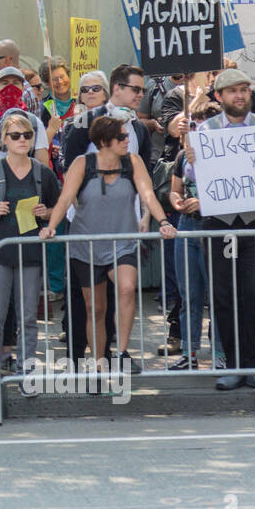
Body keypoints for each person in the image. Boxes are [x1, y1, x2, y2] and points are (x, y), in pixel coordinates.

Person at [42, 116, 175, 374]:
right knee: (96, 308)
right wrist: (51, 226)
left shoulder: (132, 162)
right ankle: (100, 363)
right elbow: (65, 198)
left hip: (123, 242)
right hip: (87, 246)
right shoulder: (83, 164)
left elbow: (147, 193)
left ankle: (123, 351)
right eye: (122, 137)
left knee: (126, 287)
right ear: (105, 142)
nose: (128, 140)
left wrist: (162, 221)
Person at [184, 68, 255, 394]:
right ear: (220, 97)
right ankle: (234, 366)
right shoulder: (205, 130)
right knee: (224, 295)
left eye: (243, 90)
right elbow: (191, 177)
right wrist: (192, 159)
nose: (240, 96)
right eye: (232, 91)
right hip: (221, 225)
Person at [0, 113, 59, 396]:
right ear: (4, 140)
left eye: (27, 135)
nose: (22, 141)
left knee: (28, 317)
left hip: (29, 254)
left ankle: (26, 374)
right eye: (15, 136)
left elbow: (60, 207)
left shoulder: (43, 173)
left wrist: (48, 214)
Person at [166, 95, 225, 369]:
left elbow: (230, 194)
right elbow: (174, 190)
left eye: (205, 127)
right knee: (189, 294)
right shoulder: (181, 157)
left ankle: (221, 355)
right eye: (194, 127)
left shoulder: (224, 154)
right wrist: (177, 202)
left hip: (214, 228)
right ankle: (189, 354)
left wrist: (205, 202)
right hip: (187, 226)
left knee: (218, 296)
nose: (198, 132)